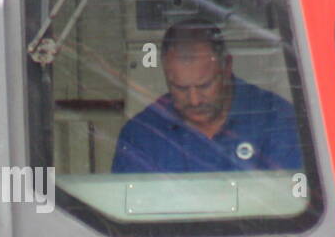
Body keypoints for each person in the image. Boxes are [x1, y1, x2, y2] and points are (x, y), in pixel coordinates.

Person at [111, 19, 302, 173]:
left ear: (226, 67)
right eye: (180, 88)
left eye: (204, 86)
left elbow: (296, 202)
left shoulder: (277, 121)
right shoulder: (142, 134)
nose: (194, 100)